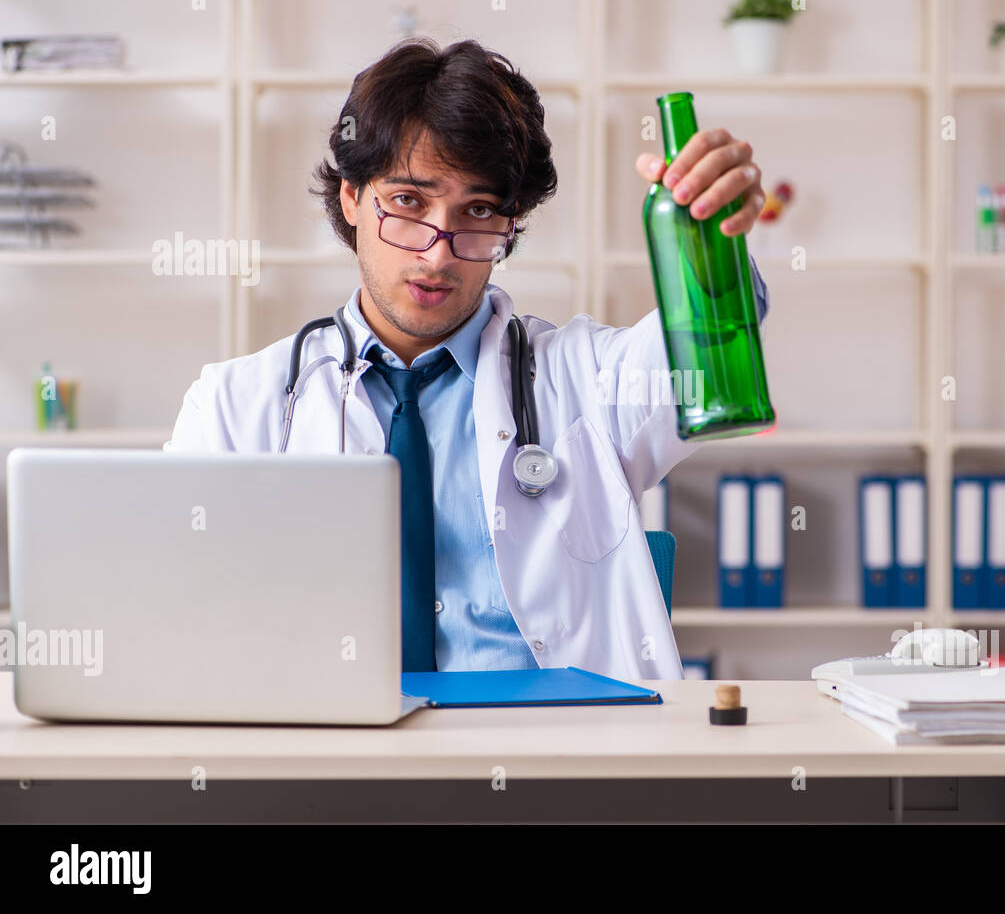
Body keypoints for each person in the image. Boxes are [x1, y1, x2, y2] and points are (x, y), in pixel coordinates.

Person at [164, 37, 770, 681]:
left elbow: (698, 349)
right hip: (330, 761)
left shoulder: (584, 379)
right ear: (350, 199)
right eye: (407, 202)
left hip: (553, 761)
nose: (438, 253)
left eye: (477, 211)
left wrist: (714, 252)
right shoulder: (234, 407)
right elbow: (166, 610)